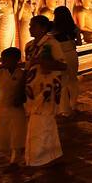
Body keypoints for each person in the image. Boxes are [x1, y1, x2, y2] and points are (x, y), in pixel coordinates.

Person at [23, 15, 67, 166]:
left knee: (39, 122)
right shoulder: (29, 46)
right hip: (32, 89)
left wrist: (41, 61)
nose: (30, 28)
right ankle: (52, 153)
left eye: (33, 26)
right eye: (30, 25)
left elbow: (63, 65)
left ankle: (37, 157)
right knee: (45, 123)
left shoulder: (52, 44)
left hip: (48, 89)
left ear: (42, 28)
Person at [0, 46, 27, 167]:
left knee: (17, 134)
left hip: (16, 109)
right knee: (4, 134)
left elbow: (24, 91)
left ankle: (15, 160)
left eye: (5, 59)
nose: (2, 61)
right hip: (2, 107)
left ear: (14, 60)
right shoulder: (0, 73)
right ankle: (17, 156)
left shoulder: (22, 74)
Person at [51, 5, 81, 116]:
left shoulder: (53, 29)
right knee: (73, 80)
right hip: (72, 54)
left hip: (59, 55)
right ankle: (74, 103)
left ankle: (64, 108)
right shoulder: (73, 27)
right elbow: (79, 43)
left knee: (62, 82)